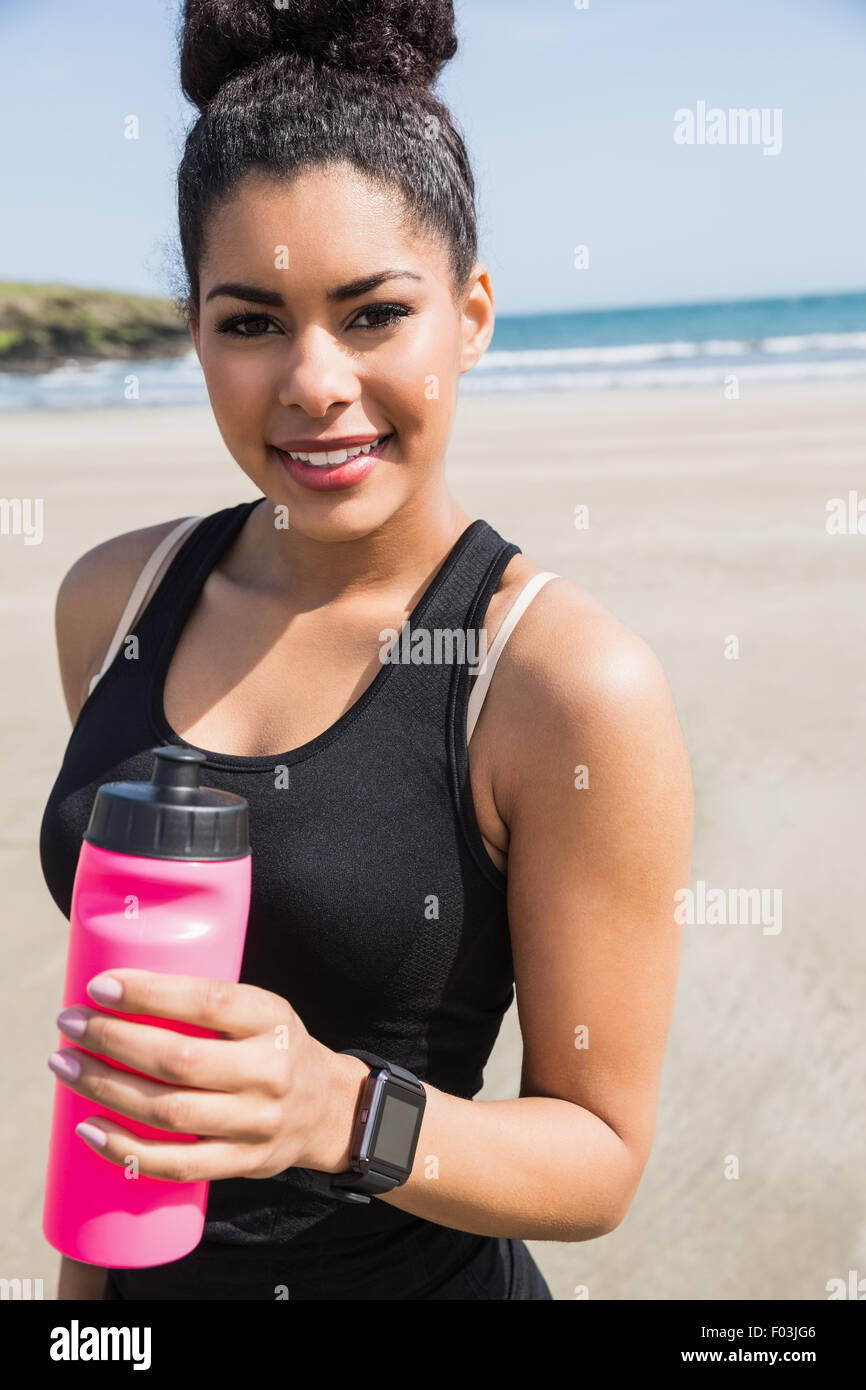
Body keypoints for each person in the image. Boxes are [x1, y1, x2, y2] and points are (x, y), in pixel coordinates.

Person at [40, 0, 693, 1300]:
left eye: (373, 313)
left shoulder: (560, 684)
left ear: (472, 316)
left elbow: (600, 1155)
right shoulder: (116, 598)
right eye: (250, 321)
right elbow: (122, 1076)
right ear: (197, 337)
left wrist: (335, 1109)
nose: (313, 379)